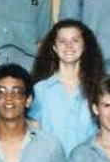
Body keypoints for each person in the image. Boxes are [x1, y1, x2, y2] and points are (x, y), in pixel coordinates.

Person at [30, 20, 104, 153]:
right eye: (62, 41)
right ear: (54, 47)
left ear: (85, 45)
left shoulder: (100, 88)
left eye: (75, 40)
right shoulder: (40, 90)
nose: (68, 46)